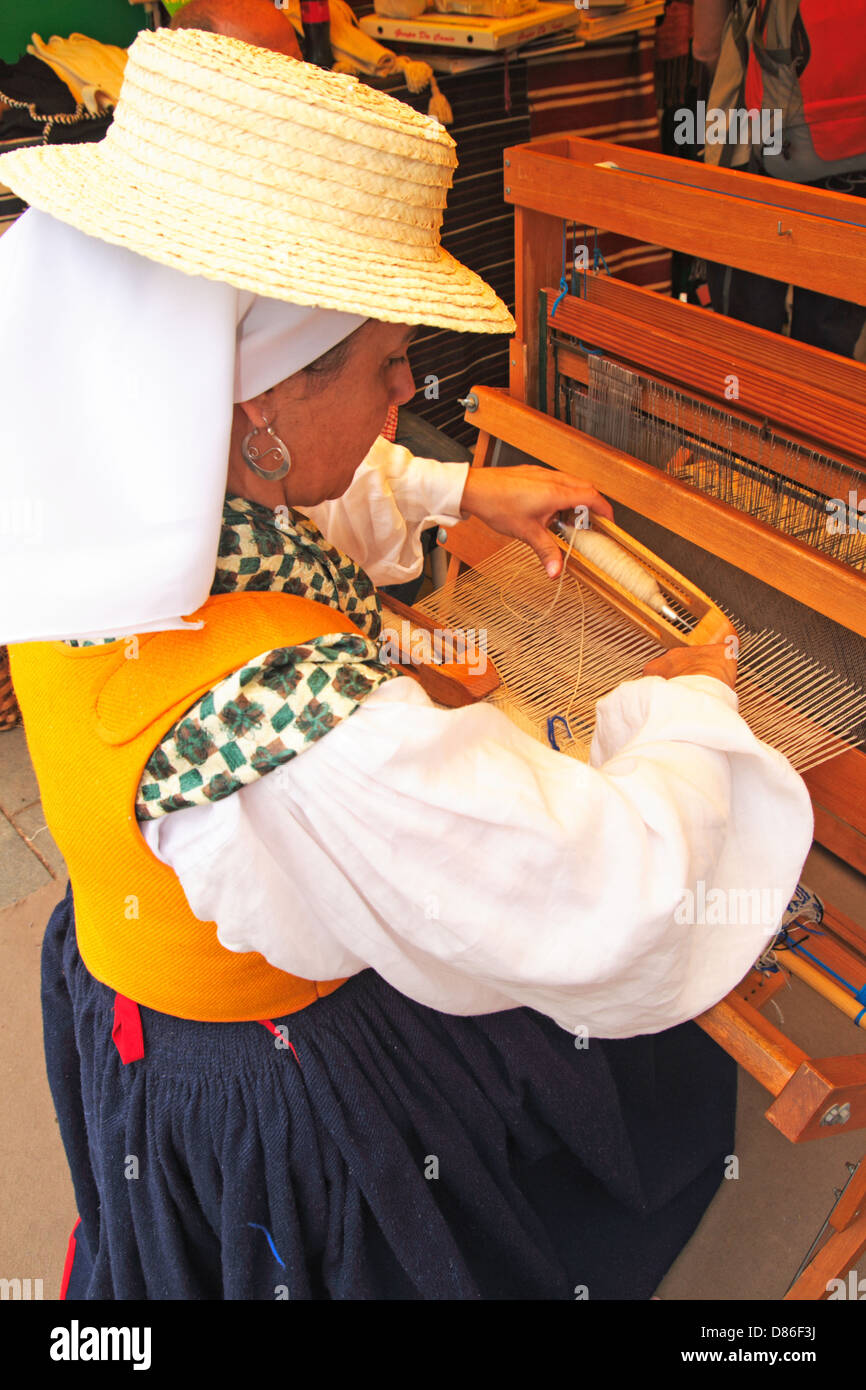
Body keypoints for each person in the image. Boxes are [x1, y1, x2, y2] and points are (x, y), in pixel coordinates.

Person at [0, 29, 812, 1300]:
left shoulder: (90, 479)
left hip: (143, 1000)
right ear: (259, 398)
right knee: (608, 1057)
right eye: (389, 368)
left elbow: (302, 504)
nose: (405, 396)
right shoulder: (305, 729)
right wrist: (686, 711)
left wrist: (466, 492)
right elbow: (613, 884)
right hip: (274, 1080)